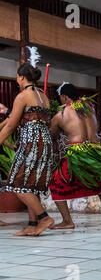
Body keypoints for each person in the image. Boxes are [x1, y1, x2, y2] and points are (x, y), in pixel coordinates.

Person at [48, 83, 101, 229]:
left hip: (78, 152)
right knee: (99, 180)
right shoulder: (90, 107)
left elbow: (52, 135)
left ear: (64, 97)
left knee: (56, 182)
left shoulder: (61, 114)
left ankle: (67, 221)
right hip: (96, 150)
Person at [0, 63, 54, 236]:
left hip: (31, 141)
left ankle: (44, 218)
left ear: (22, 77)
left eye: (17, 77)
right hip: (44, 141)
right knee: (31, 185)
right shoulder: (43, 95)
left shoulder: (23, 96)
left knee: (17, 184)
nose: (17, 80)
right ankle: (32, 224)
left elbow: (9, 126)